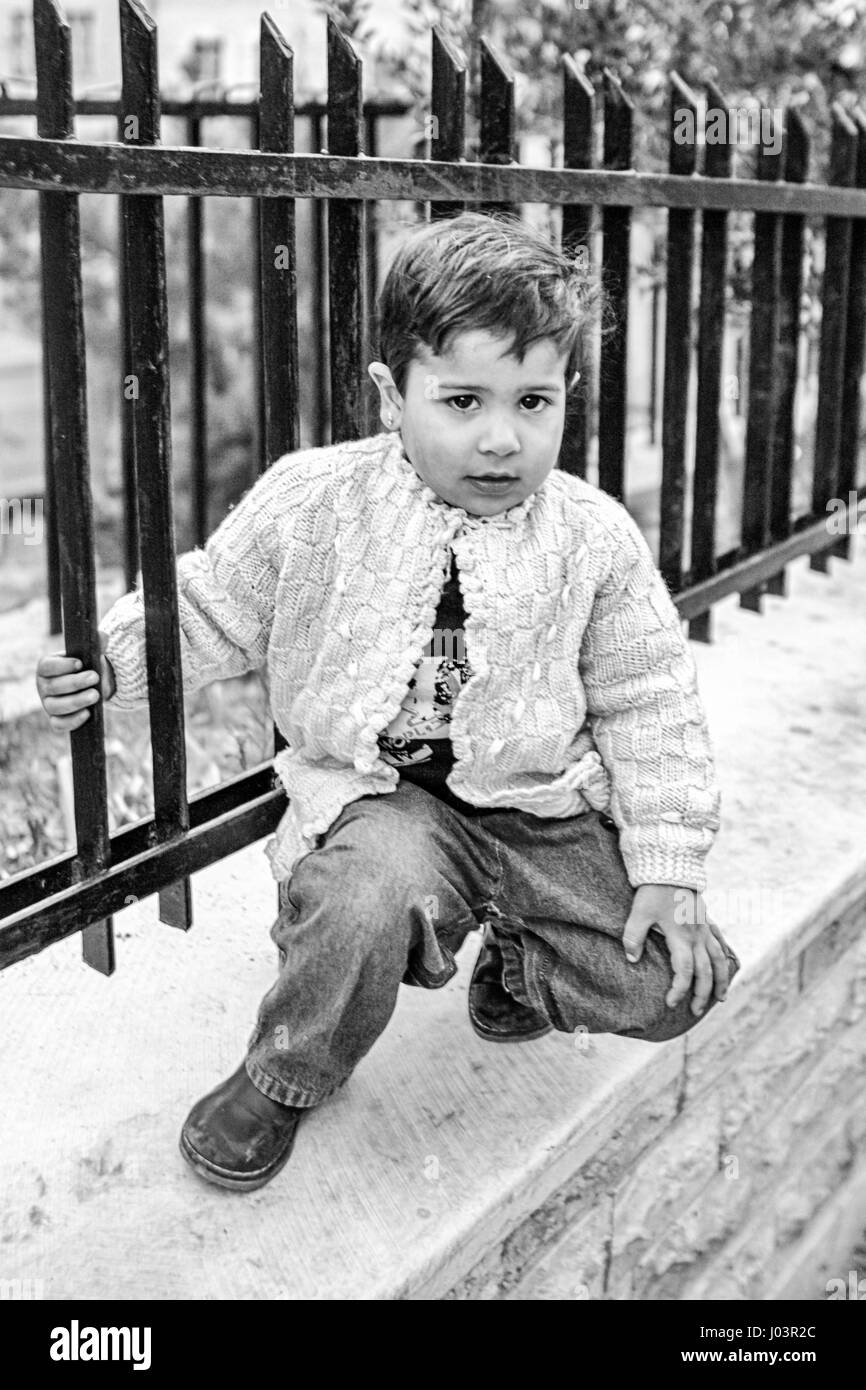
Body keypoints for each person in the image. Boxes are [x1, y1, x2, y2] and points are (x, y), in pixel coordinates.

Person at [35, 211, 739, 1193]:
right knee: (359, 902)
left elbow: (647, 698)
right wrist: (110, 664)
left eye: (532, 400)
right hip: (383, 803)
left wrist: (667, 863)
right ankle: (285, 1071)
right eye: (460, 399)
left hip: (537, 809)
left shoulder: (591, 535)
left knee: (675, 979)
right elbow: (208, 606)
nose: (501, 436)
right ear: (388, 394)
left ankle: (516, 956)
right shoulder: (316, 500)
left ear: (566, 396)